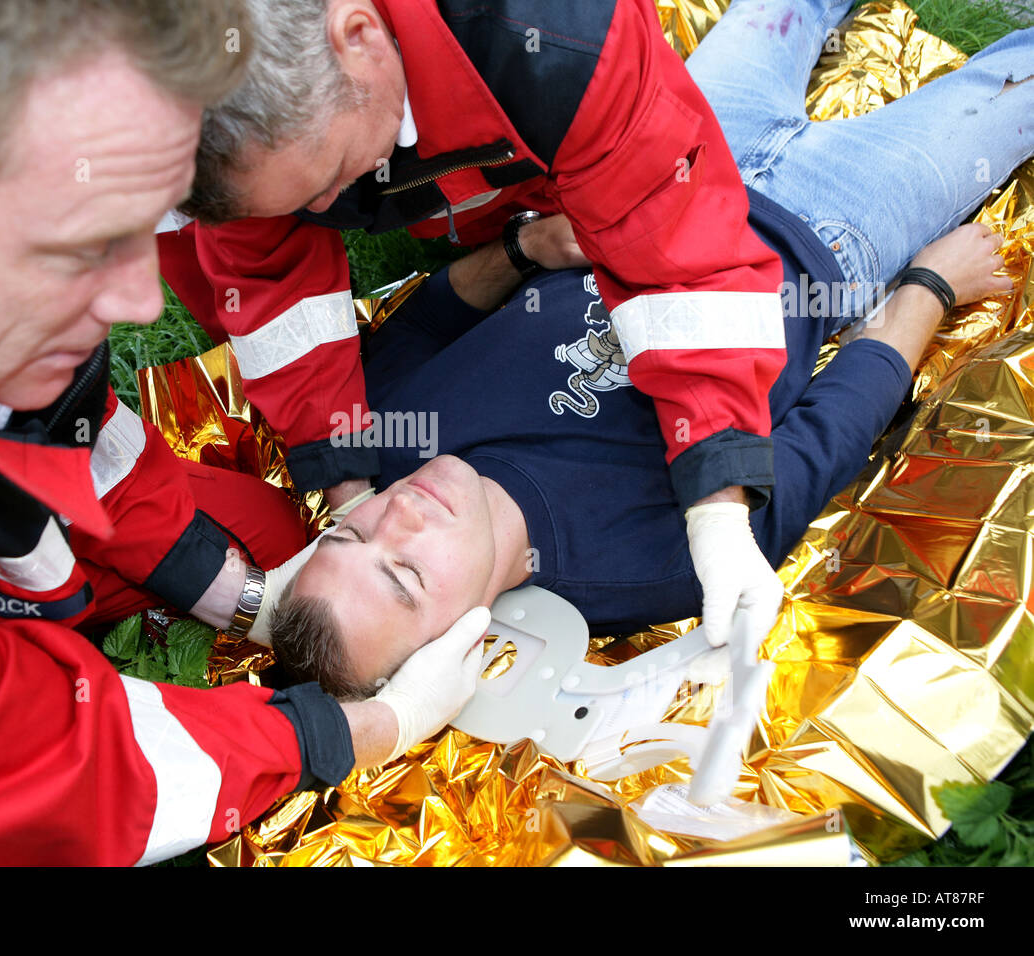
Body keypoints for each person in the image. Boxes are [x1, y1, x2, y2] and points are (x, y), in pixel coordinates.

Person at [0, 0, 488, 866]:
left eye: (149, 225)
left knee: (262, 529)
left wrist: (245, 597)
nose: (139, 302)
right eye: (88, 246)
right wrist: (354, 731)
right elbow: (71, 772)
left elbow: (87, 444)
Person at [267, 0, 1031, 697]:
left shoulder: (388, 438)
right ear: (462, 642)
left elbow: (428, 321)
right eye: (403, 575)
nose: (393, 518)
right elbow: (824, 439)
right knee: (1018, 86)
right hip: (828, 233)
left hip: (662, 158)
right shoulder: (645, 569)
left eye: (351, 532)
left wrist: (527, 248)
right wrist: (930, 285)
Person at [161, 0, 798, 656]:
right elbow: (274, 283)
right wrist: (345, 484)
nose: (322, 210)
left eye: (323, 180)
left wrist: (718, 496)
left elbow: (673, 243)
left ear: (358, 37)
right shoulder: (242, 107)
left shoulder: (562, 39)